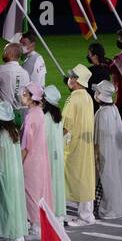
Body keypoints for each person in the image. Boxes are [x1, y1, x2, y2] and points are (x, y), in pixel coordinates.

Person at [62, 65, 97, 225]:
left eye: (72, 77)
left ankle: (84, 216)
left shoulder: (73, 98)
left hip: (74, 144)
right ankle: (86, 213)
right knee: (85, 176)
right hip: (85, 143)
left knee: (76, 177)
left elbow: (66, 124)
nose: (69, 79)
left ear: (76, 80)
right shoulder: (88, 97)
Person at [93, 80, 122, 219]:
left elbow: (98, 137)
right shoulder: (114, 109)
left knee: (107, 179)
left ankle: (109, 209)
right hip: (114, 152)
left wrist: (95, 155)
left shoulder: (101, 113)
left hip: (105, 153)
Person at [0, 101, 27, 241]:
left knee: (8, 204)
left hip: (6, 175)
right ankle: (18, 234)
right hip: (16, 173)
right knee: (16, 203)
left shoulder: (2, 136)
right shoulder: (14, 134)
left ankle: (14, 236)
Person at [21, 82, 52, 235]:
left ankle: (36, 226)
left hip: (31, 160)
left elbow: (26, 144)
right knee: (39, 192)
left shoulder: (31, 116)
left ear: (33, 98)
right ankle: (38, 224)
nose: (23, 96)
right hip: (40, 158)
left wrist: (19, 162)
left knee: (31, 193)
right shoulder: (39, 113)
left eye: (25, 94)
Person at [43, 84, 67, 220]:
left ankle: (51, 215)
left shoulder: (45, 118)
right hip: (57, 155)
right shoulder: (57, 116)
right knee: (57, 184)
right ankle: (58, 215)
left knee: (50, 184)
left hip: (49, 155)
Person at [0, 42, 29, 111]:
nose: (3, 53)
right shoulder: (25, 73)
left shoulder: (0, 70)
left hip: (2, 115)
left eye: (5, 51)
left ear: (10, 54)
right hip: (18, 115)